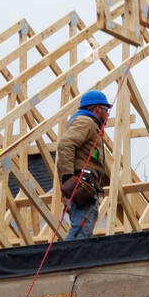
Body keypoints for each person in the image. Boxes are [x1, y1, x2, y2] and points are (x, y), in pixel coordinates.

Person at [56, 89, 113, 239]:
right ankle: (69, 260)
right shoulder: (85, 122)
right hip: (82, 186)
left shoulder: (90, 125)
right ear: (97, 109)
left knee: (82, 229)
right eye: (106, 110)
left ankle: (70, 259)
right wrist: (68, 178)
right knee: (81, 233)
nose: (108, 114)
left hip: (86, 187)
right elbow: (65, 145)